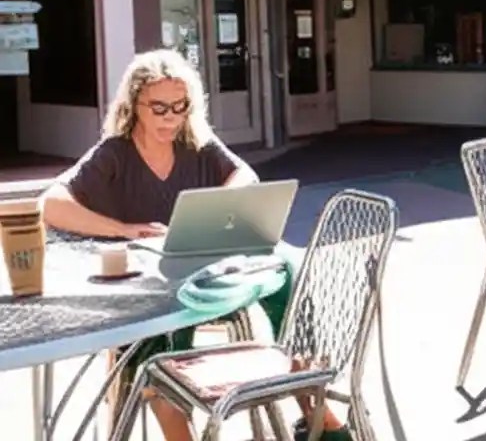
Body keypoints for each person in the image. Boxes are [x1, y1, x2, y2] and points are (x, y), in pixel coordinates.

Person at [38, 50, 351, 441]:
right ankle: (179, 427)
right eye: (159, 108)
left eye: (180, 106)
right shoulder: (114, 153)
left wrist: (223, 203)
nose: (171, 117)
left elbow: (245, 174)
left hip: (205, 276)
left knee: (287, 264)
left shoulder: (197, 142)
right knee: (155, 333)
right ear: (134, 105)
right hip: (148, 291)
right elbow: (51, 205)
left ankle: (317, 409)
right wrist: (121, 228)